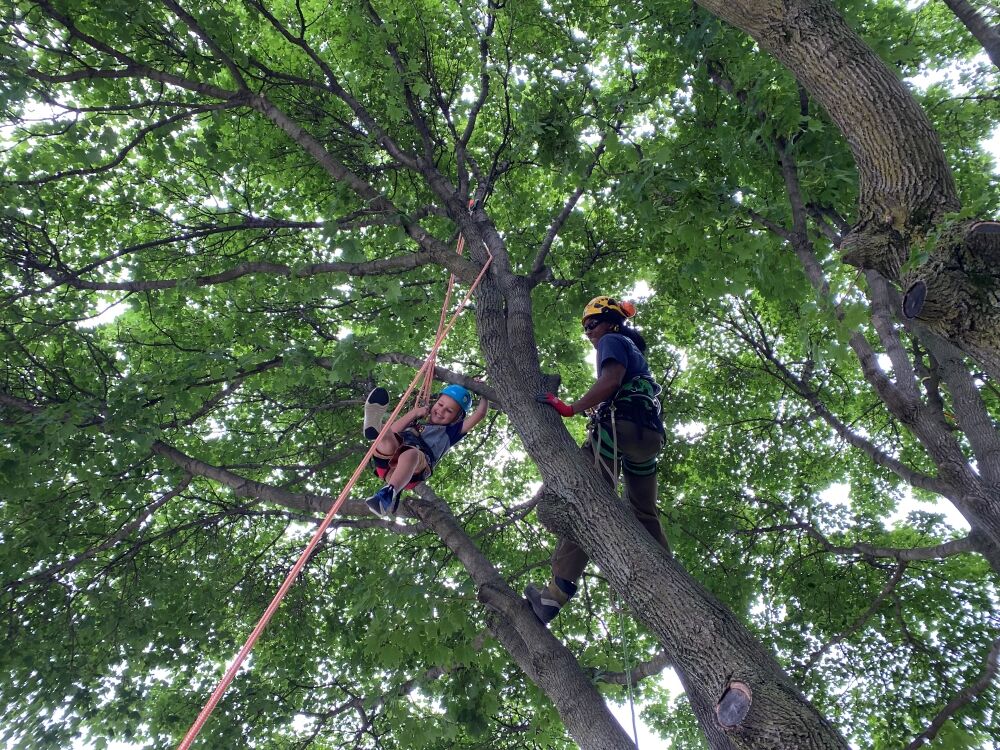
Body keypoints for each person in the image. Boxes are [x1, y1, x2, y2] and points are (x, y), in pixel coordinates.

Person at [528, 296, 668, 624]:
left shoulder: (613, 340)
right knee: (645, 511)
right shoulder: (636, 354)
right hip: (648, 438)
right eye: (586, 328)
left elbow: (611, 380)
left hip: (618, 430)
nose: (589, 333)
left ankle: (556, 594)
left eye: (591, 324)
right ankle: (666, 573)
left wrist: (571, 407)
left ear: (610, 321)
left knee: (584, 501)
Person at [361, 383, 488, 517]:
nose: (441, 411)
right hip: (388, 461)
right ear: (435, 403)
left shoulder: (452, 432)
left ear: (456, 419)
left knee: (411, 453)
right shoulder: (417, 421)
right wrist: (414, 413)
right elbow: (394, 430)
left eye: (449, 411)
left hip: (413, 470)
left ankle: (387, 494)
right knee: (386, 434)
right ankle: (375, 426)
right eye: (440, 405)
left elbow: (480, 414)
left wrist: (482, 392)